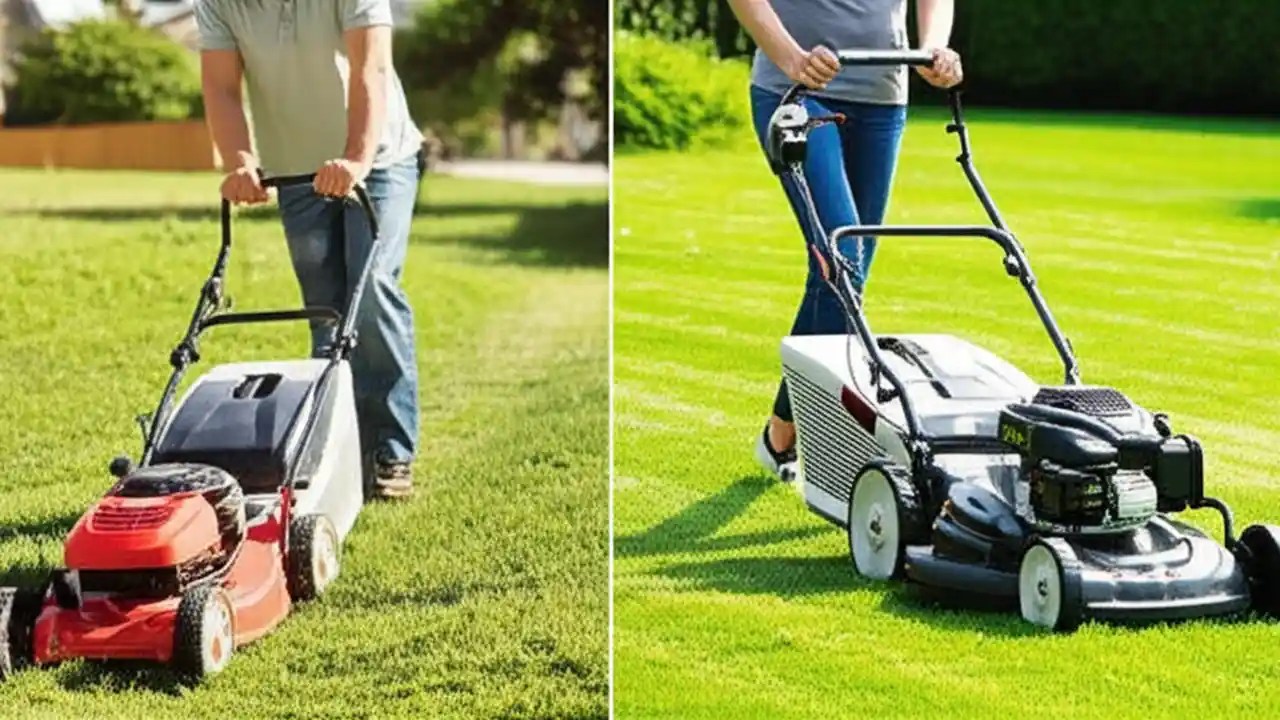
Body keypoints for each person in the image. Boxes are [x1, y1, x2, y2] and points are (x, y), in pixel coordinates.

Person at [195, 0, 425, 500]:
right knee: (326, 313)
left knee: (370, 290)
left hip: (379, 161)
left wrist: (357, 158)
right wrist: (240, 160)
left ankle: (390, 450)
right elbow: (220, 87)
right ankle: (338, 444)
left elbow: (372, 66)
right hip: (297, 171)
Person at [727, 0, 964, 480]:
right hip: (795, 91)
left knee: (840, 272)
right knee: (843, 256)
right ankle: (827, 431)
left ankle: (780, 434)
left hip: (882, 96)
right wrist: (790, 57)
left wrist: (933, 48)